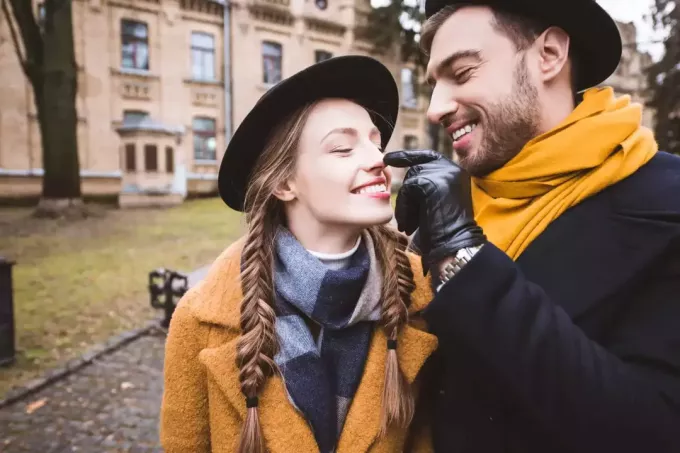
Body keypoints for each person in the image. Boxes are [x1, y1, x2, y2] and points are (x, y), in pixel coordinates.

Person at [383, 0, 680, 452]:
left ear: (549, 55)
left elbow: (654, 429)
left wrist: (465, 260)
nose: (435, 108)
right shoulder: (451, 211)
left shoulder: (667, 204)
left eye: (461, 73)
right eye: (433, 84)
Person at [159, 55, 439, 453]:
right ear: (285, 184)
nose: (379, 160)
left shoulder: (422, 295)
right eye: (343, 148)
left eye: (376, 143)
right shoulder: (202, 319)